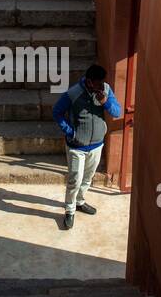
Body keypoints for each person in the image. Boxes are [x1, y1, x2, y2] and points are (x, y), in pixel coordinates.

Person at [51, 63, 121, 230]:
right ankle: (70, 209)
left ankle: (80, 201)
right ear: (89, 82)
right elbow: (57, 112)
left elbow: (117, 112)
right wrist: (70, 132)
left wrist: (106, 102)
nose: (101, 86)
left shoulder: (106, 90)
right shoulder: (73, 93)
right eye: (98, 83)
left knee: (88, 178)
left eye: (102, 82)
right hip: (77, 146)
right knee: (75, 179)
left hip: (97, 145)